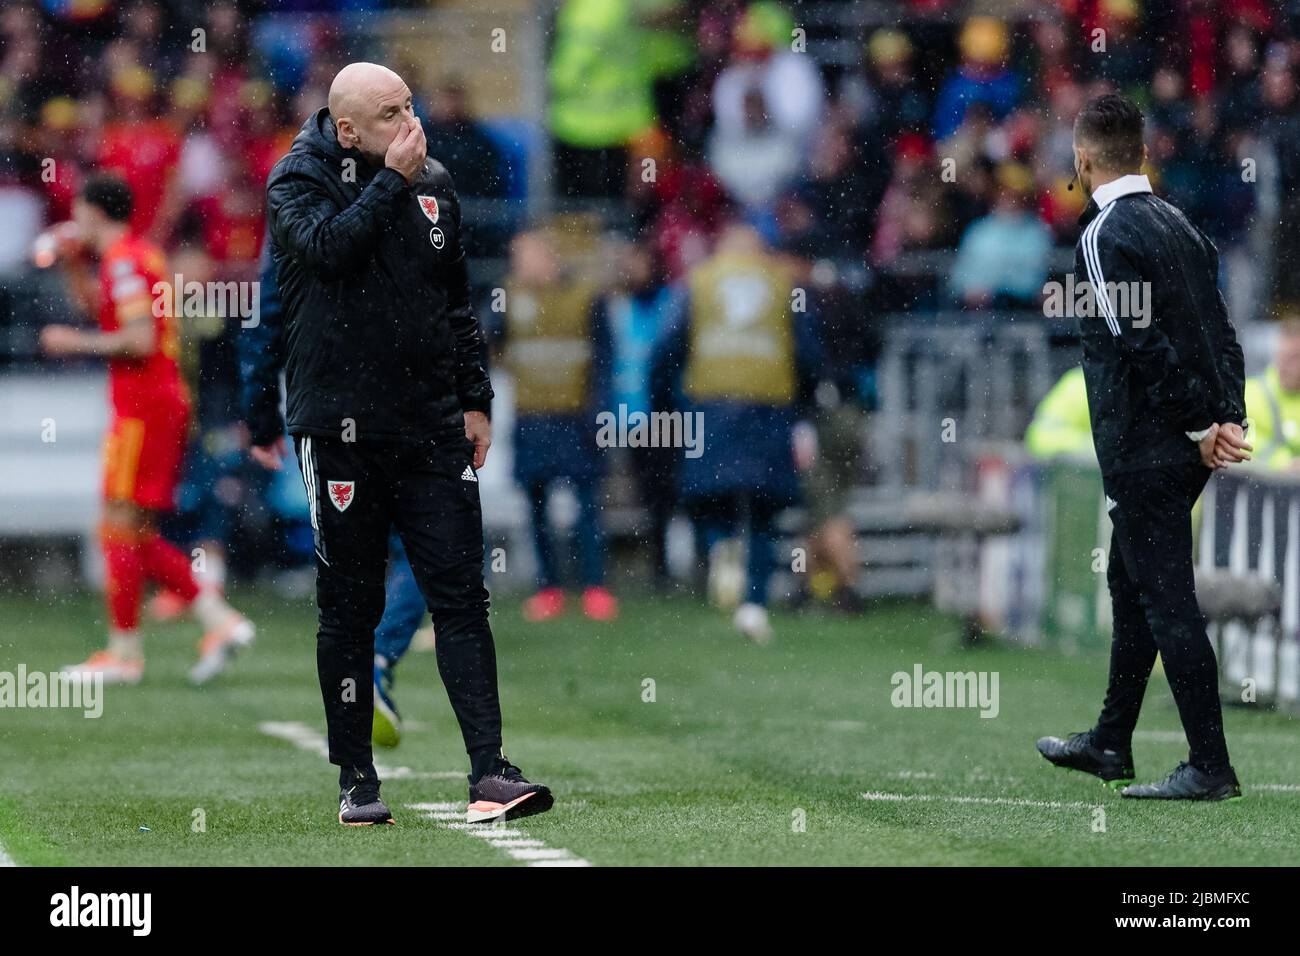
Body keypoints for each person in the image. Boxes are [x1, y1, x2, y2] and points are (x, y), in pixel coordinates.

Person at [262, 62, 551, 826]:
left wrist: (476, 400)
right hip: (341, 428)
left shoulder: (438, 183)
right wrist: (389, 182)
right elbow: (329, 252)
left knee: (462, 598)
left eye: (412, 106)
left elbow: (453, 301)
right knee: (348, 607)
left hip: (428, 424)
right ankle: (356, 778)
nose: (410, 123)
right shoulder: (297, 180)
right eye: (391, 112)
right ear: (348, 127)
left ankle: (490, 771)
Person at [1036, 93, 1251, 802]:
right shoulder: (1183, 227)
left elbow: (1139, 341)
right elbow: (1222, 332)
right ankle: (1110, 740)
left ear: (1083, 159)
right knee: (1131, 585)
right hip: (1185, 447)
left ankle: (1209, 767)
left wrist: (1198, 424)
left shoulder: (1103, 236)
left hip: (1147, 448)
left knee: (1165, 601)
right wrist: (1228, 420)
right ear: (1144, 153)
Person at [37, 174, 254, 686]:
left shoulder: (126, 263)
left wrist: (75, 343)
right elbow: (108, 313)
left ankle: (125, 653)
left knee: (116, 524)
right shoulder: (135, 256)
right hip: (153, 406)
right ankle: (217, 621)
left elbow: (136, 340)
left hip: (144, 409)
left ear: (93, 212)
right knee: (130, 531)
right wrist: (71, 264)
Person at [239, 235, 426, 749]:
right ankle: (378, 660)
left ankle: (353, 704)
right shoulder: (403, 185)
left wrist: (259, 412)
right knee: (426, 548)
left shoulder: (294, 199)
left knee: (348, 553)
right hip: (400, 404)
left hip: (324, 409)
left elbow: (265, 314)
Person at [651, 222, 821, 643]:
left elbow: (667, 346)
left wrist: (664, 401)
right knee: (765, 509)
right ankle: (755, 601)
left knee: (710, 496)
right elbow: (808, 350)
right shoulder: (783, 285)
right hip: (768, 406)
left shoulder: (697, 283)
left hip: (710, 404)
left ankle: (722, 548)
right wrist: (807, 401)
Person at [499, 230, 618, 622]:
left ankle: (595, 588)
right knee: (536, 506)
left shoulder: (588, 295)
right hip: (531, 415)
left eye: (525, 256)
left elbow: (605, 357)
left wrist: (597, 411)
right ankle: (548, 588)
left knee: (587, 504)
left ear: (547, 257)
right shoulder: (509, 295)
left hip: (576, 416)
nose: (518, 266)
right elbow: (486, 340)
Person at [1243, 317, 1300, 469]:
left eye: (1295, 358)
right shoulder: (1250, 394)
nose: (1286, 365)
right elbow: (1244, 441)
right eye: (1284, 356)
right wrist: (1284, 462)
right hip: (1263, 487)